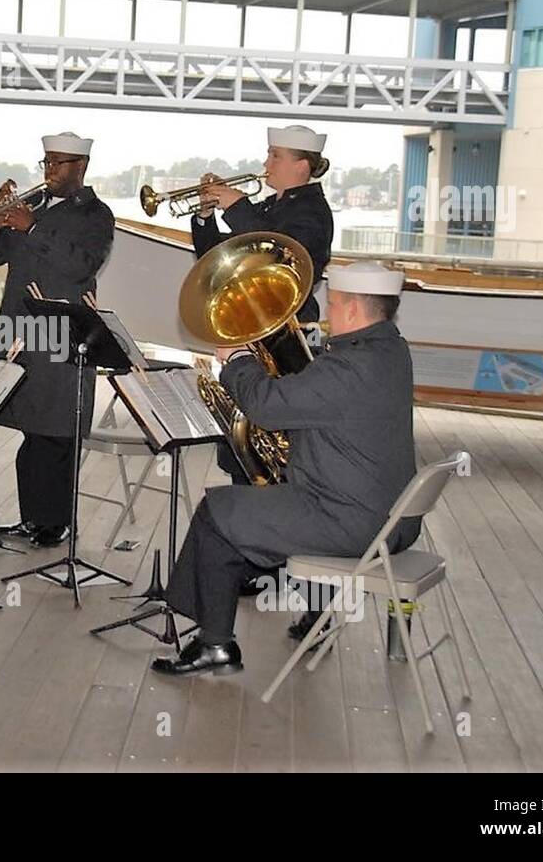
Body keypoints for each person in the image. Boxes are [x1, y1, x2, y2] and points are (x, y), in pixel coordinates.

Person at [152, 261, 420, 675]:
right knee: (258, 508)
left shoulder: (350, 367)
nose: (329, 315)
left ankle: (215, 643)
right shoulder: (390, 350)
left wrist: (239, 359)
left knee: (217, 513)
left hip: (351, 519)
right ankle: (309, 611)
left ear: (350, 308)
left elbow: (267, 407)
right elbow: (330, 406)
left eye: (332, 305)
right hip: (393, 514)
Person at [0, 132, 114, 549]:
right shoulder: (30, 205)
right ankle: (33, 519)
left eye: (59, 163)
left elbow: (81, 265)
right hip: (19, 327)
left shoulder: (96, 214)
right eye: (47, 162)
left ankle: (55, 523)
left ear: (81, 167)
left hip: (61, 330)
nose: (50, 171)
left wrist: (32, 227)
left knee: (57, 429)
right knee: (30, 428)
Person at [191, 124, 333, 324]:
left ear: (301, 166)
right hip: (253, 315)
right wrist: (205, 215)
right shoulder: (270, 207)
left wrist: (237, 206)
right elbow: (214, 256)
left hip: (289, 323)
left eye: (276, 156)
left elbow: (278, 254)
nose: (267, 164)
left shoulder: (313, 212)